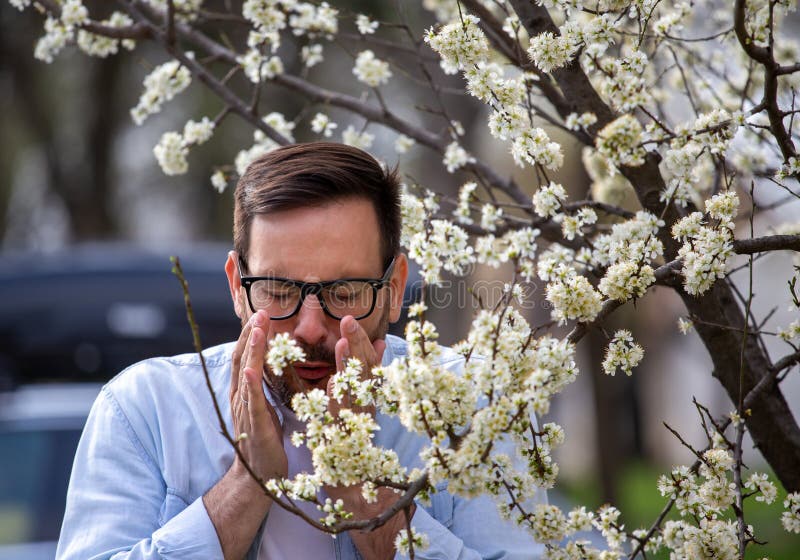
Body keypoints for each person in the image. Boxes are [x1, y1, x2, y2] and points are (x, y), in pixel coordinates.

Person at [56, 142, 545, 559]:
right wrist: (247, 485)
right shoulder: (144, 410)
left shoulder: (476, 405)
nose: (310, 328)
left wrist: (362, 488)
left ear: (395, 288)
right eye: (277, 289)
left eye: (346, 290)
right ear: (236, 286)